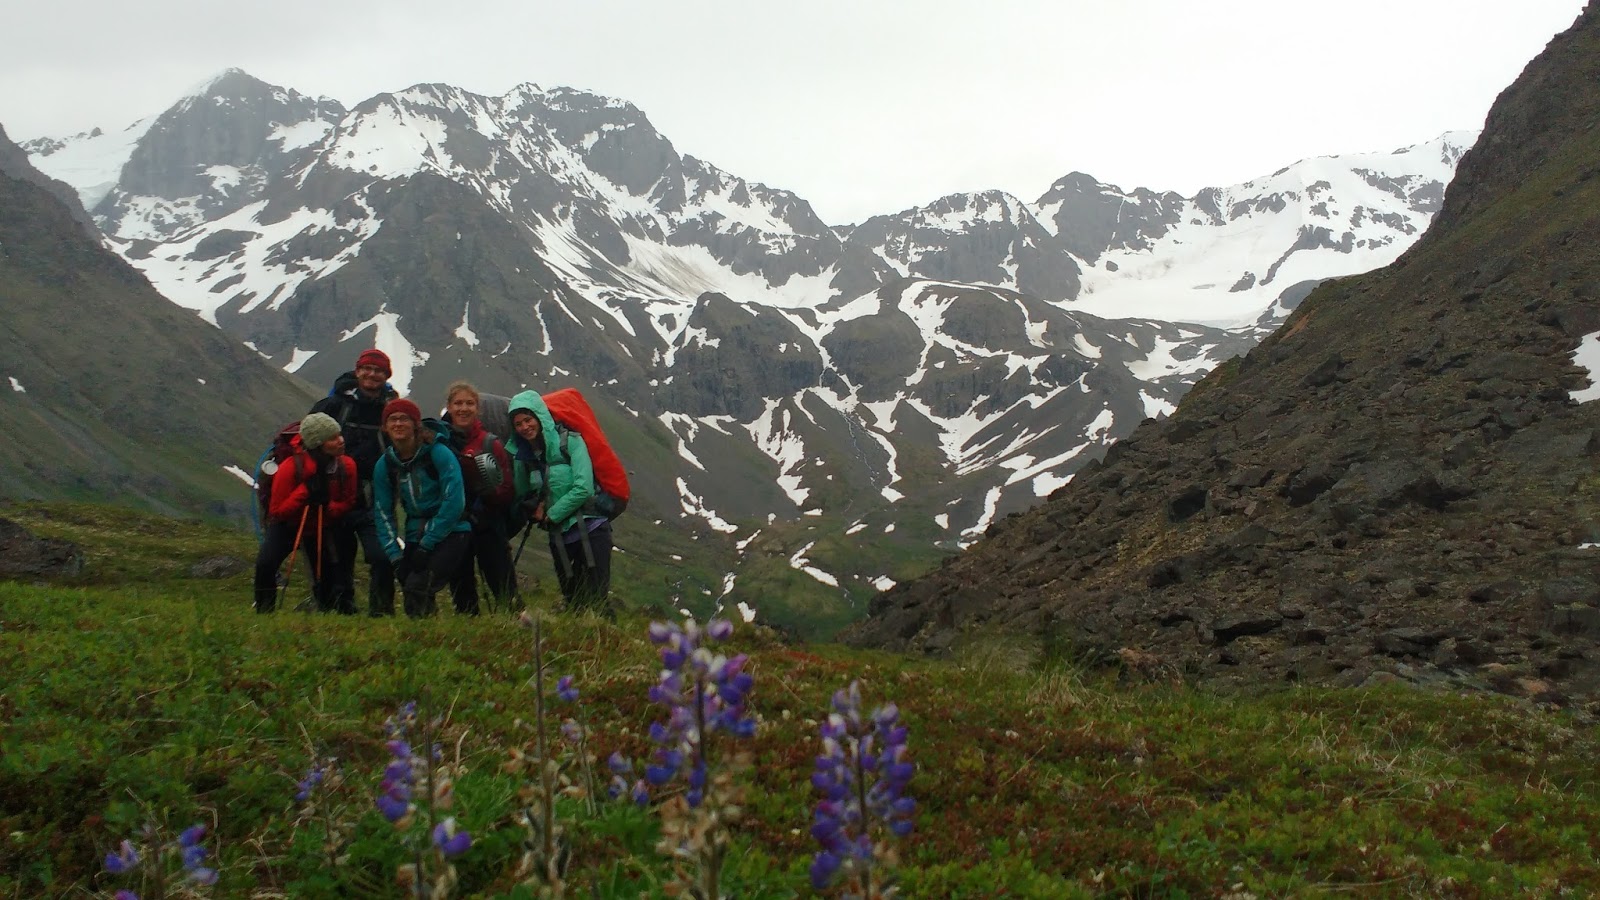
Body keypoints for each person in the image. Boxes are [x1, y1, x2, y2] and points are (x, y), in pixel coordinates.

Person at [506, 390, 612, 614]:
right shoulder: (525, 457)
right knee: (573, 600)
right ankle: (583, 644)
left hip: (591, 530)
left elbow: (583, 487)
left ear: (540, 417)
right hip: (559, 537)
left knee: (597, 599)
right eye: (518, 424)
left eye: (528, 419)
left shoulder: (570, 441)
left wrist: (551, 514)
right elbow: (523, 492)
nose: (524, 427)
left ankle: (611, 643)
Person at [311, 349, 400, 616]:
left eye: (379, 371)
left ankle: (381, 612)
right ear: (358, 371)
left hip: (377, 499)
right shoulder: (333, 406)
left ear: (386, 376)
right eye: (367, 369)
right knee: (337, 559)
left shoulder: (392, 411)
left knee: (383, 557)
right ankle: (340, 609)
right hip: (335, 496)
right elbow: (309, 440)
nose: (372, 375)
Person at [372, 398, 472, 618]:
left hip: (453, 530)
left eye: (404, 419)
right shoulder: (385, 464)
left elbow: (454, 501)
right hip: (415, 534)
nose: (398, 424)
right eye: (392, 419)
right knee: (412, 585)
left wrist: (427, 544)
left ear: (416, 424)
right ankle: (429, 636)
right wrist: (395, 556)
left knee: (418, 586)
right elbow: (382, 513)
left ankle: (424, 638)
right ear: (385, 427)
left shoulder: (438, 453)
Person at [252, 412, 358, 613]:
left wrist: (327, 507)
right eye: (333, 438)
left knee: (327, 574)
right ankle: (264, 610)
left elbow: (348, 502)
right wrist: (305, 491)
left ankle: (328, 609)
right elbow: (278, 511)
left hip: (322, 525)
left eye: (339, 434)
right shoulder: (290, 468)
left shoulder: (347, 466)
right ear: (318, 443)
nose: (341, 441)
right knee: (266, 564)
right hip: (288, 526)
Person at [442, 381, 516, 614]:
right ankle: (469, 635)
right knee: (461, 588)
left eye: (469, 403)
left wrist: (486, 489)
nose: (463, 409)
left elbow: (507, 490)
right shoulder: (438, 441)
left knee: (503, 586)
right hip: (454, 526)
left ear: (478, 408)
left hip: (488, 525)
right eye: (458, 403)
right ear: (449, 408)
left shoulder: (491, 443)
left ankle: (515, 628)